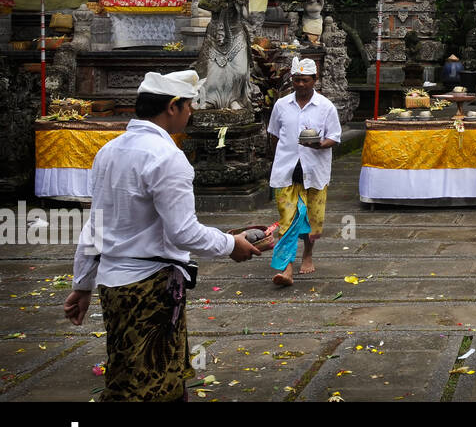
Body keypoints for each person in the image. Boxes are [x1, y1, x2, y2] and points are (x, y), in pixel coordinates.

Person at [64, 70, 261, 402]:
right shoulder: (167, 157)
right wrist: (231, 245)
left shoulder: (108, 152)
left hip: (113, 286)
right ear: (173, 106)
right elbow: (183, 233)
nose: (192, 112)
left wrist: (83, 284)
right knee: (150, 387)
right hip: (149, 287)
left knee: (133, 375)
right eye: (189, 105)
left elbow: (94, 227)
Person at [266, 57, 341, 286]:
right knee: (287, 220)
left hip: (314, 171)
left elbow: (334, 137)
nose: (300, 85)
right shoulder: (281, 105)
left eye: (305, 80)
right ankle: (286, 268)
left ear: (314, 80)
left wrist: (319, 145)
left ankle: (307, 253)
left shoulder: (325, 107)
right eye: (296, 80)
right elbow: (274, 134)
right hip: (286, 170)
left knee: (312, 220)